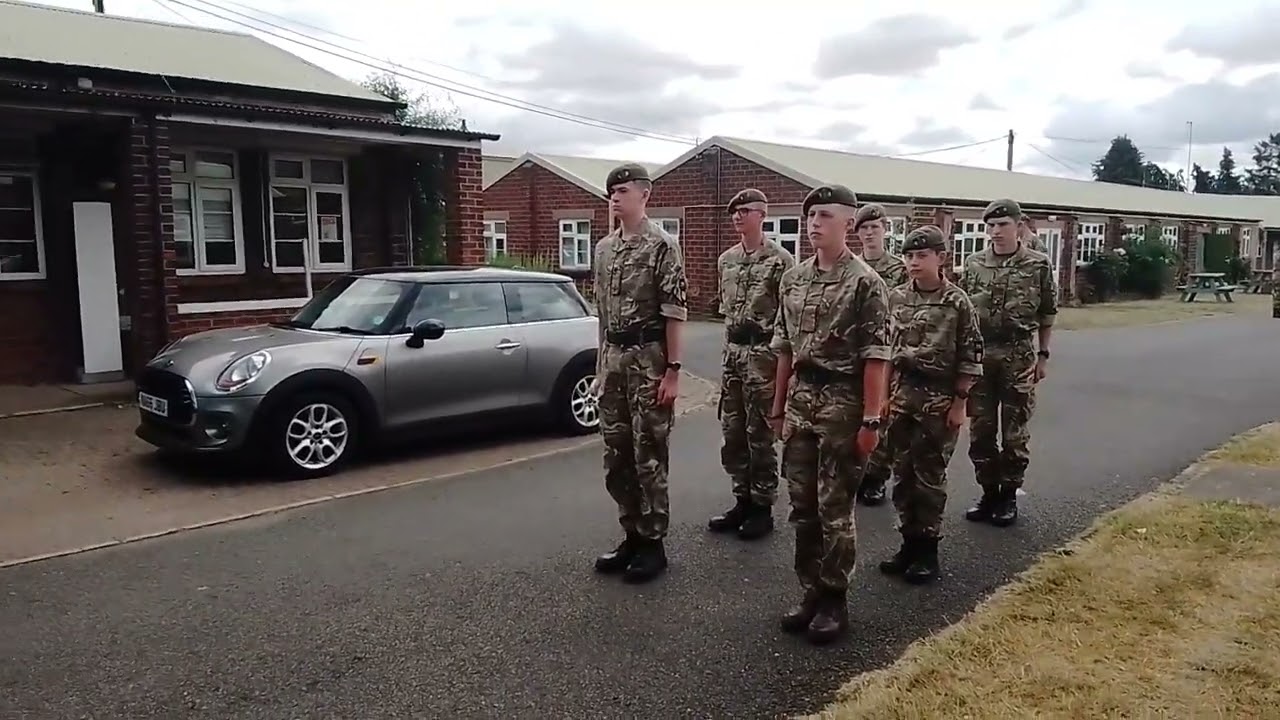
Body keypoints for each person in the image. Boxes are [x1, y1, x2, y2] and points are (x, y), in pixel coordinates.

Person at [769, 184, 890, 645]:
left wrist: (872, 421)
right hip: (801, 401)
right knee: (802, 506)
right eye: (811, 215)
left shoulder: (866, 283)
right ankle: (810, 591)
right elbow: (783, 348)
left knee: (834, 506)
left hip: (843, 403)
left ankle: (835, 598)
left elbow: (878, 356)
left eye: (824, 215)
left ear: (849, 224)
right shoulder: (793, 279)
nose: (814, 223)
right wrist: (778, 408)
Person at [591, 162, 688, 583]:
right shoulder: (603, 249)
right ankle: (631, 533)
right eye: (611, 190)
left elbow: (674, 314)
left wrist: (673, 372)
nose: (615, 196)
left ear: (644, 195)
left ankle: (653, 544)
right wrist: (599, 367)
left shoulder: (662, 245)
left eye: (624, 190)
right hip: (614, 361)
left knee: (649, 454)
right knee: (617, 455)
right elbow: (602, 314)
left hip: (648, 360)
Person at [877, 225, 983, 584]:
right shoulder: (896, 299)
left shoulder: (957, 302)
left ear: (941, 258)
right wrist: (884, 398)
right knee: (902, 475)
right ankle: (908, 543)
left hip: (939, 399)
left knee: (930, 477)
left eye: (922, 255)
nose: (913, 262)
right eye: (908, 255)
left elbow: (970, 356)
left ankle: (928, 550)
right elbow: (887, 351)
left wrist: (960, 403)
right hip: (903, 396)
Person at [959, 198, 1057, 528]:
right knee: (981, 432)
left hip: (1019, 355)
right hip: (982, 356)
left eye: (1002, 225)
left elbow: (1047, 313)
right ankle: (988, 493)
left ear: (1019, 226)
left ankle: (1009, 496)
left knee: (1015, 433)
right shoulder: (974, 264)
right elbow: (965, 316)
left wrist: (1043, 356)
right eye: (991, 226)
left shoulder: (1038, 264)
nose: (996, 231)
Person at [708, 188, 796, 539]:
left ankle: (762, 506)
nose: (737, 216)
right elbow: (725, 310)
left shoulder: (780, 262)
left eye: (745, 210)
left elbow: (788, 318)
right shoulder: (726, 260)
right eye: (734, 212)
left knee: (760, 435)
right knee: (733, 433)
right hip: (733, 356)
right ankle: (741, 499)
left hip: (763, 355)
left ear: (762, 215)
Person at [852, 203, 907, 507]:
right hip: (859, 350)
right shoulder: (852, 266)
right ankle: (859, 473)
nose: (870, 233)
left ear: (885, 229)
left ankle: (877, 478)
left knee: (883, 414)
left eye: (875, 227)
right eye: (864, 228)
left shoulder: (900, 268)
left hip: (891, 351)